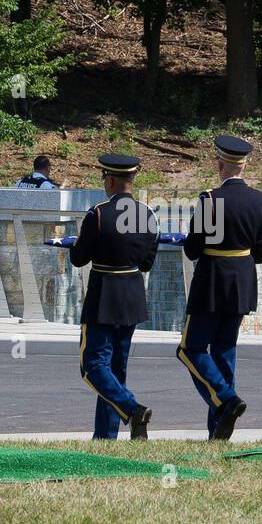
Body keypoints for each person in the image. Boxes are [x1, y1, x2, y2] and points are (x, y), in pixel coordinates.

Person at [178, 135, 262, 441]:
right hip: (243, 282)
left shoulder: (209, 199)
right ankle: (218, 431)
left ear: (220, 165)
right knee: (224, 351)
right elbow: (260, 252)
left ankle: (225, 399)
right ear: (244, 165)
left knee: (190, 349)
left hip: (211, 281)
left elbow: (193, 249)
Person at [69, 154, 159, 439]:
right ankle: (105, 436)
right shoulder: (147, 214)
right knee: (116, 369)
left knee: (93, 366)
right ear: (131, 180)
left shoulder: (97, 214)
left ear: (109, 180)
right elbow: (147, 263)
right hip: (132, 294)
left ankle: (132, 408)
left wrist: (76, 244)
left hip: (104, 294)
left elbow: (78, 258)